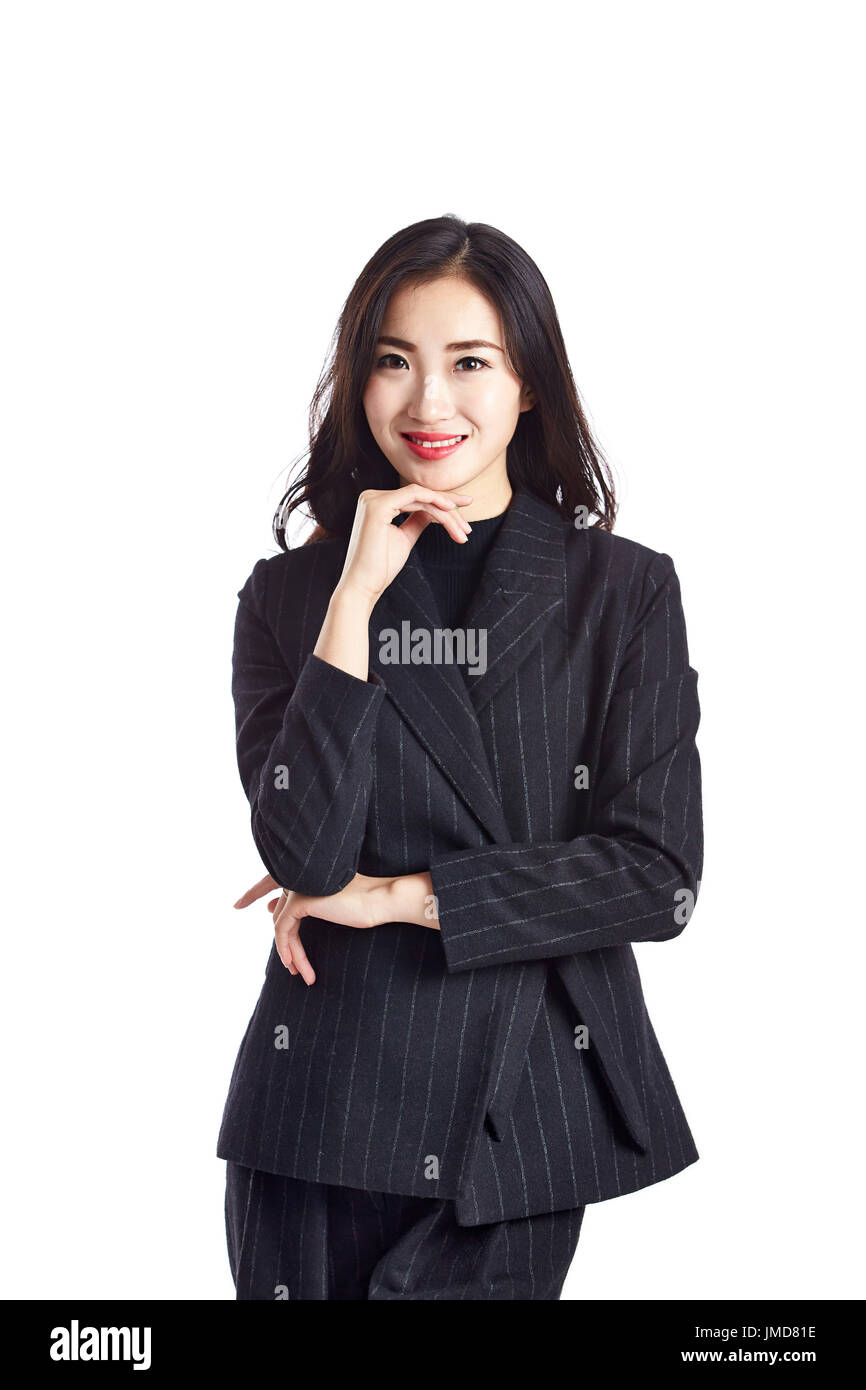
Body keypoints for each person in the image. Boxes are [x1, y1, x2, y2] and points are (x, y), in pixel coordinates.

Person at [217, 214, 704, 1300]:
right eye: (393, 361)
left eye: (468, 362)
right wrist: (352, 598)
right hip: (320, 1110)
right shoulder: (292, 596)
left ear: (526, 382)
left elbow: (657, 876)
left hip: (515, 1118)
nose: (428, 403)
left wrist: (394, 894)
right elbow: (301, 847)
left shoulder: (621, 591)